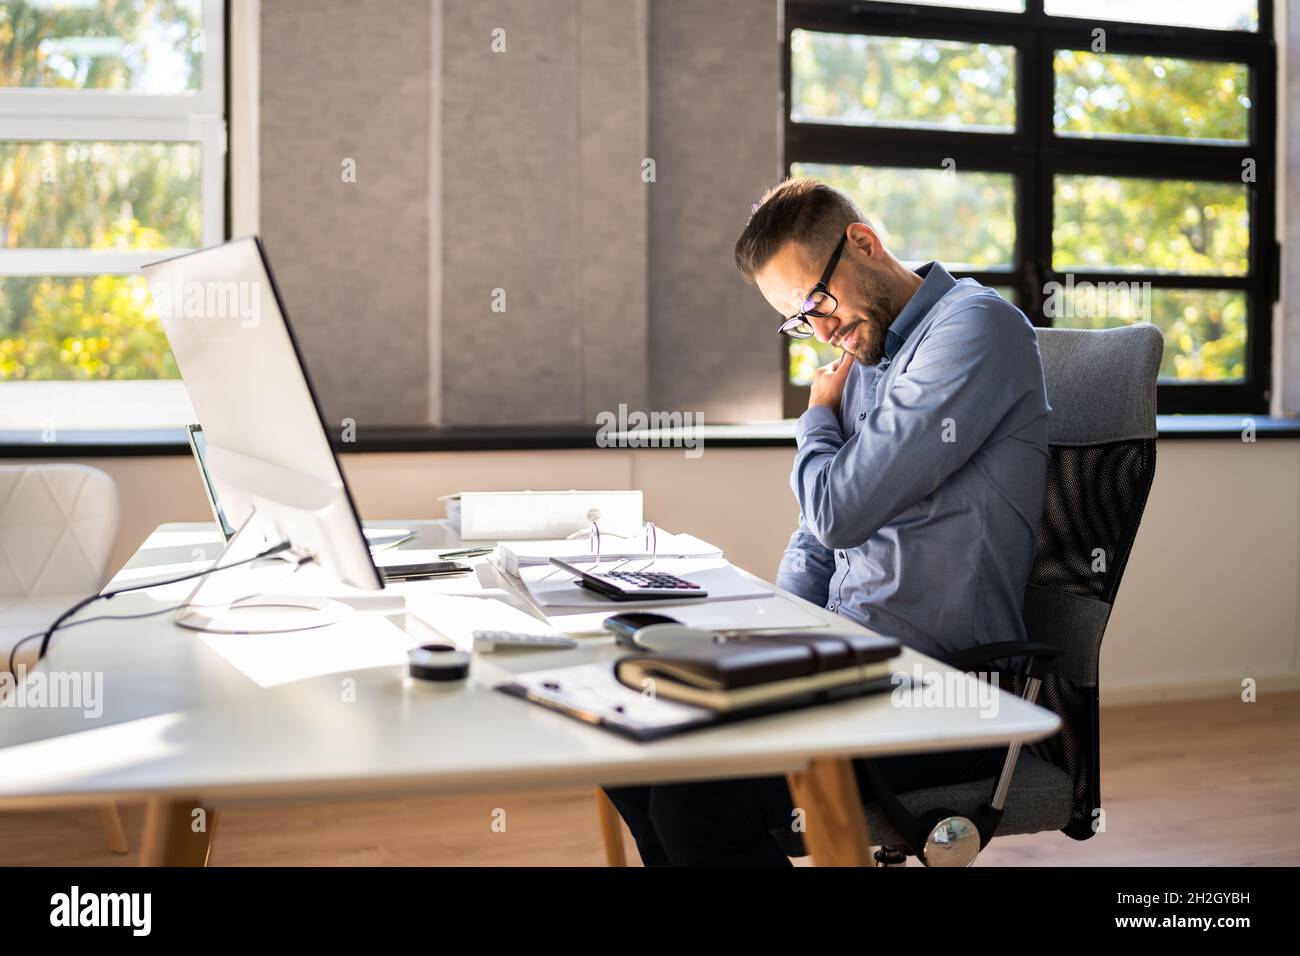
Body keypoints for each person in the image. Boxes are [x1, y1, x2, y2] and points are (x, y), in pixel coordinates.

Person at [604, 178, 1051, 866]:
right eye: (798, 320)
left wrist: (816, 417)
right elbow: (817, 536)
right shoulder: (869, 352)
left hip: (942, 690)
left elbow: (839, 510)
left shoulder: (973, 329)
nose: (820, 331)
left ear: (865, 244)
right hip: (848, 666)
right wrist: (769, 641)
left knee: (698, 799)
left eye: (816, 302)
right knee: (632, 734)